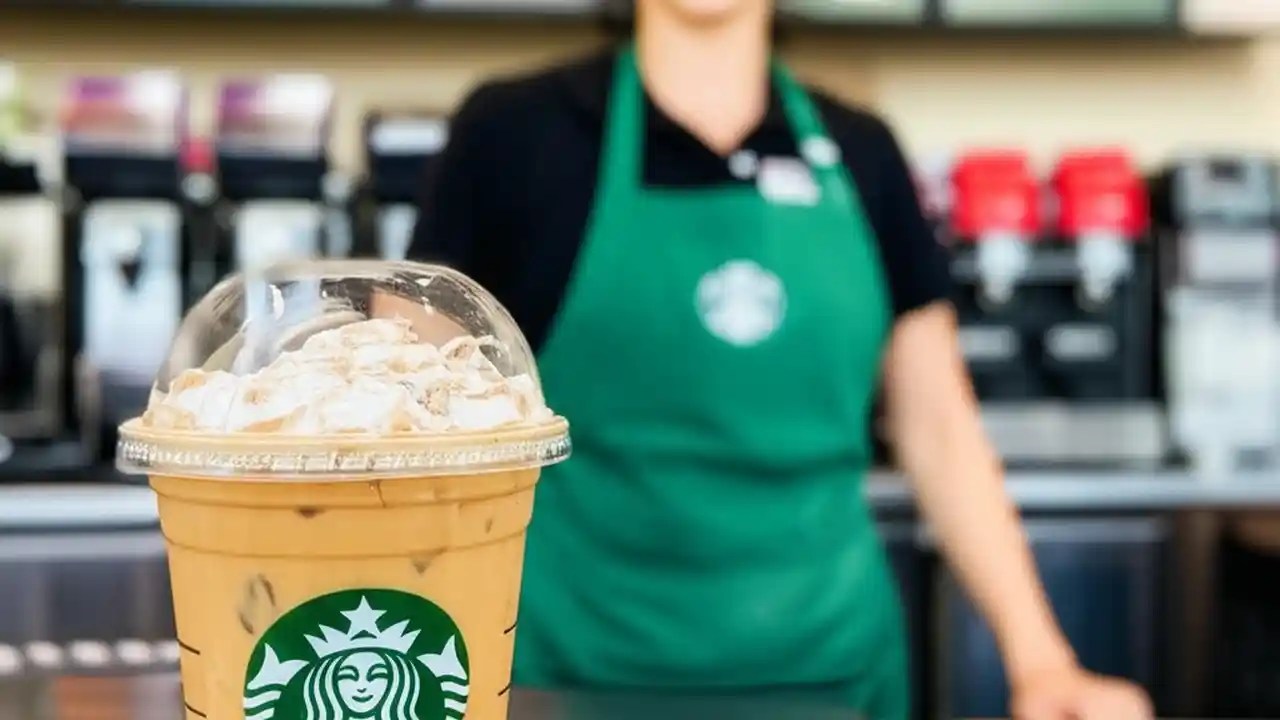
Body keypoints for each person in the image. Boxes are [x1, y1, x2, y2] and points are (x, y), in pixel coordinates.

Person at [408, 1, 1154, 718]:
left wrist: (1042, 662)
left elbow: (942, 433)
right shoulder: (510, 133)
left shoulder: (863, 152)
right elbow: (406, 419)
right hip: (567, 679)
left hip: (830, 679)